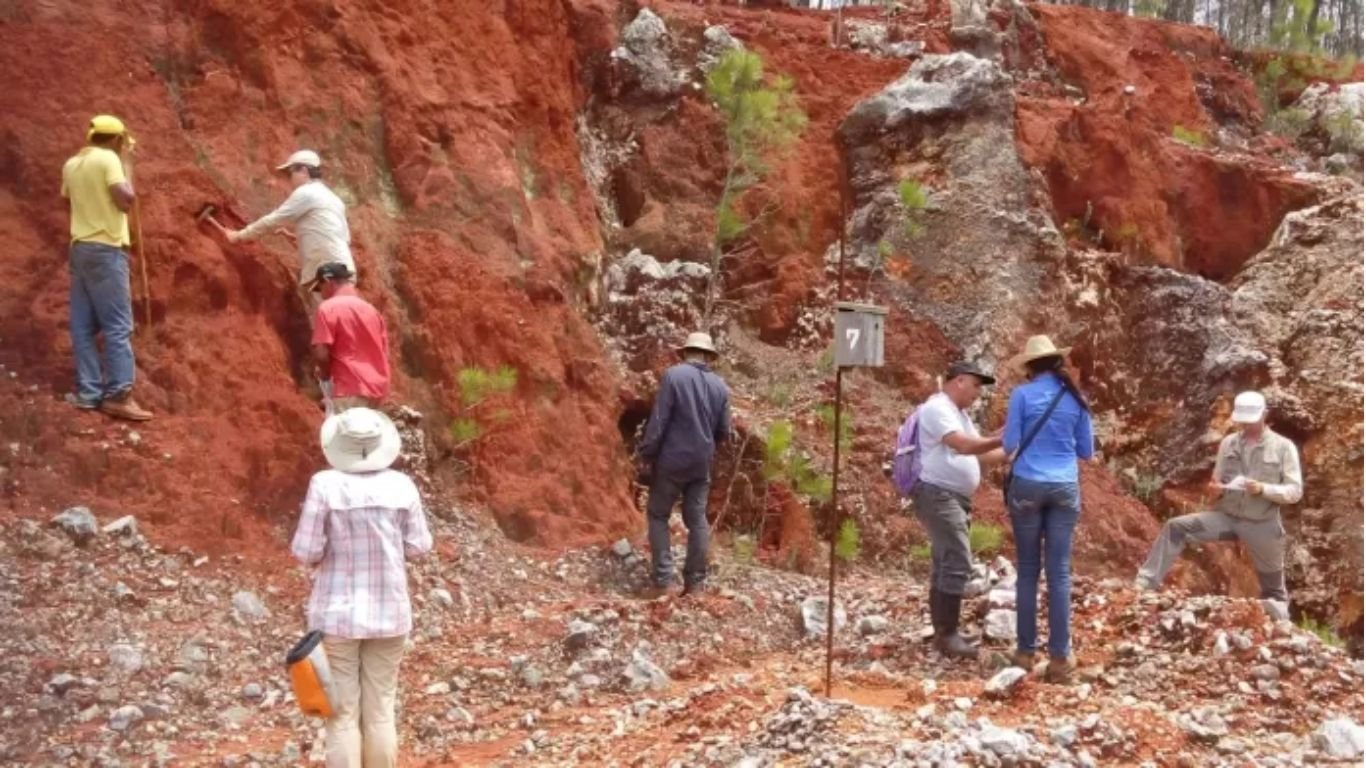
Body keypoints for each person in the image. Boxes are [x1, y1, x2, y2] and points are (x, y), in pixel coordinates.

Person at [291, 407, 431, 767]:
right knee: (381, 709)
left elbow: (306, 551)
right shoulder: (402, 485)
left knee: (342, 714)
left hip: (337, 616)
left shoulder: (325, 484)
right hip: (391, 613)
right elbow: (419, 547)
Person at [1134, 391, 1301, 607]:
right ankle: (1144, 584)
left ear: (1265, 414)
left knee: (1274, 590)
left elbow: (1295, 491)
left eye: (1251, 419)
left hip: (1262, 524)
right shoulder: (1228, 444)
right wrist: (1214, 489)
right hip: (1227, 518)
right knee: (1176, 527)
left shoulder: (1283, 447)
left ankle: (1282, 627)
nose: (1246, 425)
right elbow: (1216, 481)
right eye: (1243, 420)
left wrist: (1262, 489)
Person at [1002, 335, 1094, 683]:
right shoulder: (1076, 399)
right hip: (1065, 488)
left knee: (1027, 570)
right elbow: (1086, 451)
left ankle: (1025, 652)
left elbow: (1010, 444)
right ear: (1058, 363)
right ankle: (1060, 658)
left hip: (1027, 485)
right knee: (1059, 573)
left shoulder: (1021, 395)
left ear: (1029, 366)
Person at [60, 115, 153, 421]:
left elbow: (67, 204)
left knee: (82, 325)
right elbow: (126, 200)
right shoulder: (109, 160)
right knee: (117, 325)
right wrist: (126, 166)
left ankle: (88, 393)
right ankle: (119, 395)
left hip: (80, 247)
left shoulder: (72, 164)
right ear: (116, 140)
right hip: (107, 248)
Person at [911, 361, 1006, 659]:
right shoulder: (937, 409)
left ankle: (943, 631)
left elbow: (985, 453)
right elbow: (964, 446)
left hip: (950, 496)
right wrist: (1002, 436)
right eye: (976, 385)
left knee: (945, 560)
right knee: (957, 558)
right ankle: (948, 635)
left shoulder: (959, 414)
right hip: (937, 493)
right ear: (960, 381)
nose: (978, 393)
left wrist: (1015, 445)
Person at [637, 332, 731, 598]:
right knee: (697, 521)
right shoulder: (720, 386)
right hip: (701, 464)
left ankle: (664, 581)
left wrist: (647, 454)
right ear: (708, 355)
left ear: (686, 352)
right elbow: (724, 431)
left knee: (657, 514)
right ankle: (695, 585)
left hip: (672, 460)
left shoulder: (673, 376)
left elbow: (659, 422)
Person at [224, 149, 355, 313]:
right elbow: (341, 237)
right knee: (344, 320)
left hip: (326, 272)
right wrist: (296, 237)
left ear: (304, 170)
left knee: (329, 322)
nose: (289, 179)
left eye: (291, 173)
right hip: (344, 268)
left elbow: (272, 220)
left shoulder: (306, 193)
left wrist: (238, 236)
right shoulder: (333, 199)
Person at [310, 263, 390, 411]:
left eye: (320, 288)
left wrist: (325, 377)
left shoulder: (328, 308)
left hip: (349, 387)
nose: (321, 295)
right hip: (377, 391)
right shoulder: (372, 311)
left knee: (347, 433)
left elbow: (321, 354)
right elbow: (384, 352)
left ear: (328, 282)